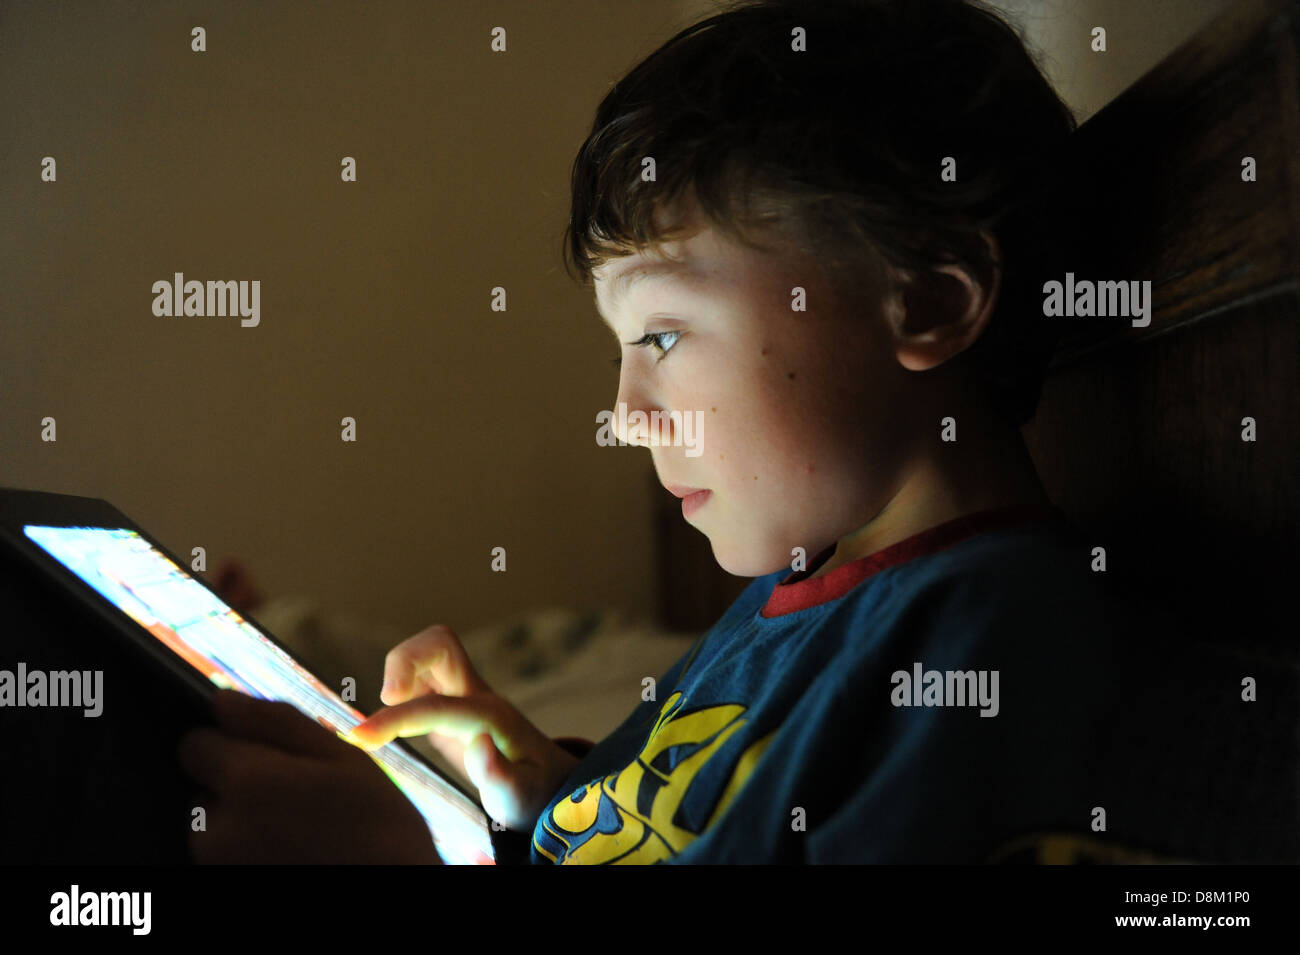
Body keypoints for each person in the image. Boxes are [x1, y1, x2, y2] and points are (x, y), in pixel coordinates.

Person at [177, 0, 1298, 864]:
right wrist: (525, 773)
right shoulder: (799, 595)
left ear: (930, 303)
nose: (624, 415)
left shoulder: (987, 642)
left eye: (663, 334)